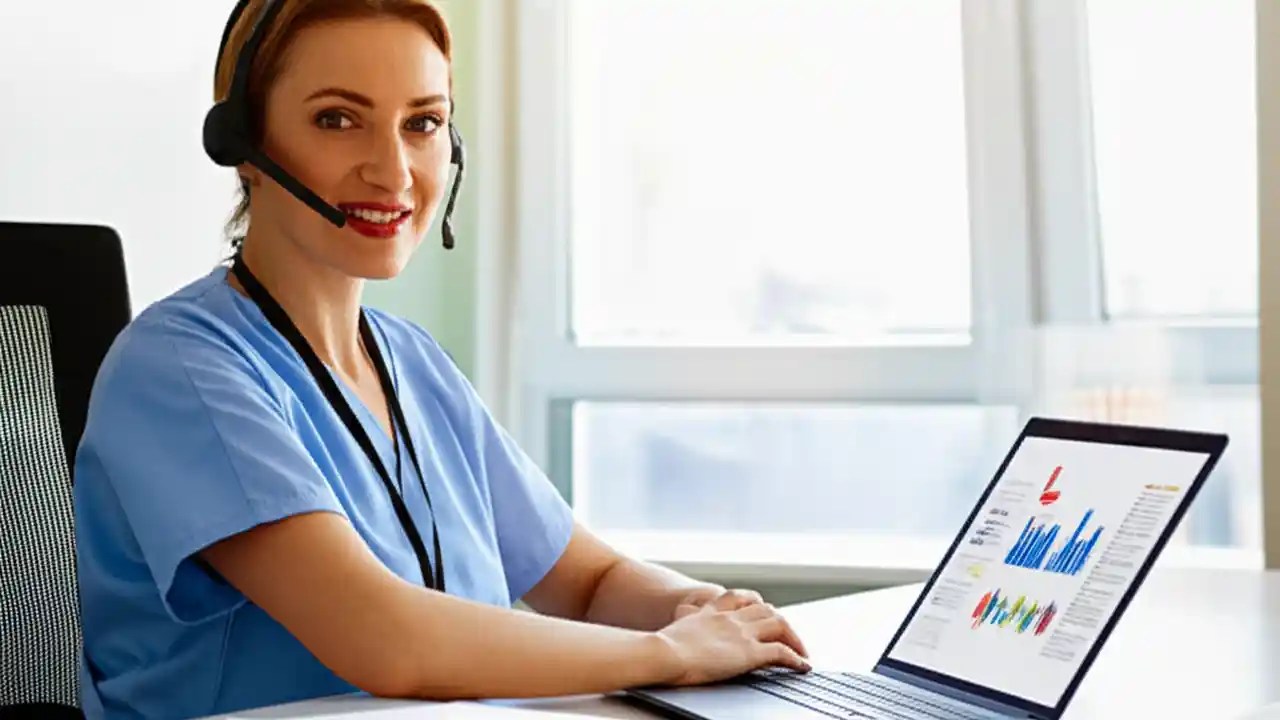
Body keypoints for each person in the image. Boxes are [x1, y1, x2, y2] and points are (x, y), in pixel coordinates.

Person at [71, 1, 810, 718]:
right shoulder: (178, 369)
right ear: (243, 142)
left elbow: (588, 583)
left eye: (422, 123)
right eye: (338, 119)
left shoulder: (411, 363)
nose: (393, 172)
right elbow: (384, 640)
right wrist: (671, 653)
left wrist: (704, 609)